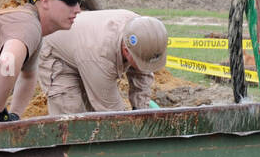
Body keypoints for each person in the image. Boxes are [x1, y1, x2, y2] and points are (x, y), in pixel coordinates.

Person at [38, 10, 168, 114]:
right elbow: (112, 111)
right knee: (73, 117)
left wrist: (141, 111)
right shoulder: (101, 55)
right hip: (56, 54)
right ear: (126, 51)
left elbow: (143, 76)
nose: (145, 68)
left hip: (83, 48)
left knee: (93, 113)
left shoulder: (142, 32)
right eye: (141, 62)